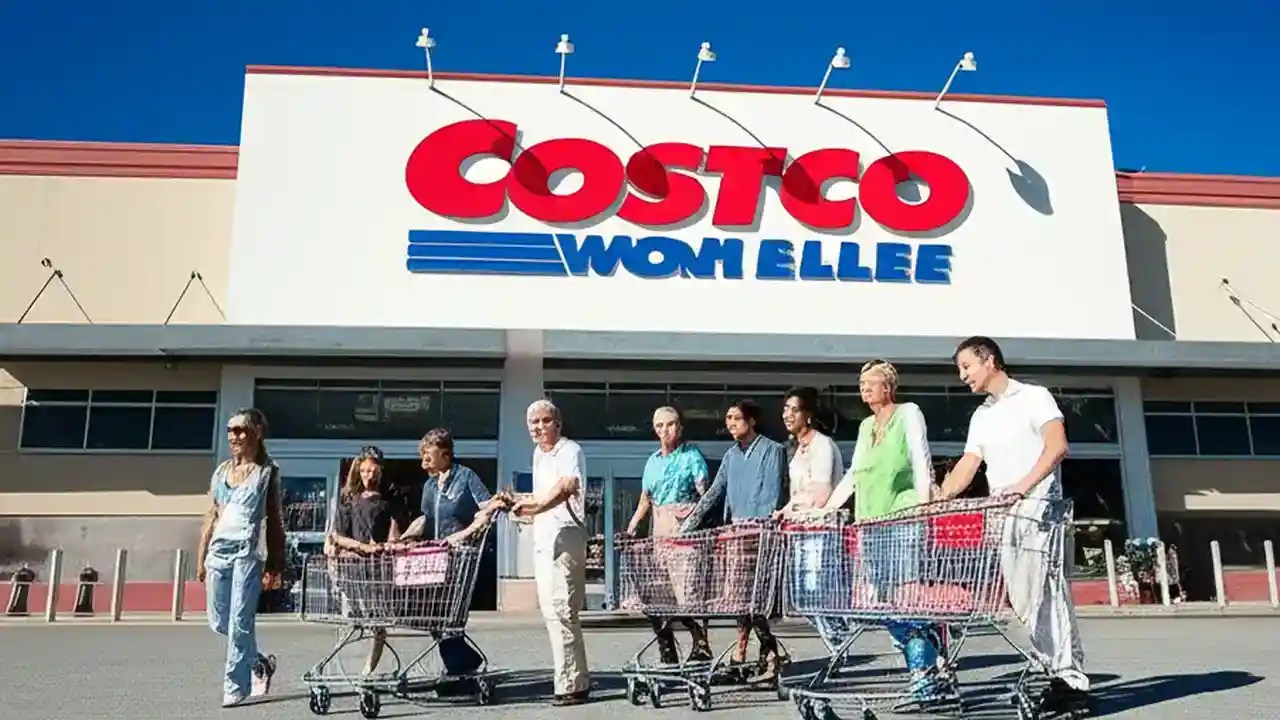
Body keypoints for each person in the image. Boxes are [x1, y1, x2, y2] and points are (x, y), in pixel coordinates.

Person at [938, 336, 1089, 714]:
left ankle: (1070, 679)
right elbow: (969, 465)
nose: (962, 376)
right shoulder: (982, 416)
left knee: (1048, 593)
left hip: (1040, 510)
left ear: (989, 361)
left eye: (966, 366)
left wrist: (1022, 488)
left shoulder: (1034, 397)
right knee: (1023, 600)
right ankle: (1049, 670)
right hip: (1005, 517)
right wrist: (938, 498)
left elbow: (1057, 446)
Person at [823, 360, 944, 700]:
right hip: (870, 523)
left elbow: (921, 460)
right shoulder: (864, 426)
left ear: (888, 387)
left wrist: (924, 507)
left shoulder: (909, 413)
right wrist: (827, 509)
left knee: (908, 599)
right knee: (883, 602)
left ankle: (923, 672)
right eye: (861, 383)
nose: (864, 388)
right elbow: (854, 474)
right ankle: (928, 655)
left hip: (904, 519)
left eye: (870, 382)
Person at [680, 399, 789, 685]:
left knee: (754, 601)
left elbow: (772, 495)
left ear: (751, 421)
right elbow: (714, 493)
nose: (730, 423)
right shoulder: (730, 456)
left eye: (736, 418)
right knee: (741, 601)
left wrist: (756, 525)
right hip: (735, 538)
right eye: (727, 418)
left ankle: (761, 655)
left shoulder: (772, 450)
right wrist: (688, 525)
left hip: (760, 537)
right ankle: (754, 655)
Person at [395, 428, 506, 693]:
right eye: (422, 453)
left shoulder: (466, 477)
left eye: (428, 452)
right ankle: (463, 664)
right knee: (435, 615)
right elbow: (425, 519)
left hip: (460, 557)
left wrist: (465, 534)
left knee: (449, 615)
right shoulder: (430, 486)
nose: (424, 459)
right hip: (434, 558)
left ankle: (457, 672)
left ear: (445, 453)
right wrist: (404, 537)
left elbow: (489, 507)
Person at [196, 408, 286, 707]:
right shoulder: (221, 471)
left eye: (241, 430)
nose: (235, 436)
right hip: (217, 554)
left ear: (257, 433)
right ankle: (259, 662)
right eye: (231, 430)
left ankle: (234, 687)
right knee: (219, 622)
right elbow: (212, 514)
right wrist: (200, 557)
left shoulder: (266, 472)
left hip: (248, 554)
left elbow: (274, 518)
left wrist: (275, 562)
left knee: (240, 623)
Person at [511, 400, 592, 706]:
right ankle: (572, 677)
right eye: (534, 422)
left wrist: (537, 506)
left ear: (557, 423)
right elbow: (542, 495)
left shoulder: (569, 450)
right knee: (550, 612)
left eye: (546, 421)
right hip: (544, 540)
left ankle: (571, 683)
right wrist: (522, 505)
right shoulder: (537, 455)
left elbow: (566, 485)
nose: (540, 427)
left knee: (563, 609)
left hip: (567, 536)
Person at [623, 406, 712, 665]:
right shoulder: (652, 461)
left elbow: (705, 495)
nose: (665, 430)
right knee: (659, 599)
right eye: (660, 426)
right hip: (659, 532)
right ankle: (668, 652)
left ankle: (700, 643)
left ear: (680, 427)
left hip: (685, 534)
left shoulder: (692, 456)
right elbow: (645, 501)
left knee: (687, 598)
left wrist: (694, 521)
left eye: (671, 424)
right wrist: (631, 529)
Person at [774, 387, 849, 655]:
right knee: (805, 594)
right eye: (785, 409)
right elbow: (798, 493)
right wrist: (784, 511)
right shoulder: (798, 450)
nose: (787, 415)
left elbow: (821, 493)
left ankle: (839, 642)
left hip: (821, 529)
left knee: (816, 591)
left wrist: (791, 510)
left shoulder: (822, 445)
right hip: (801, 530)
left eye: (794, 409)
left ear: (808, 415)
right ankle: (837, 643)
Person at [327, 445, 401, 676]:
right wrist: (362, 547)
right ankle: (343, 666)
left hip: (379, 569)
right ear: (358, 471)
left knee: (378, 624)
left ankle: (368, 670)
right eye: (365, 471)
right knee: (352, 619)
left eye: (373, 471)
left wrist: (388, 546)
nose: (369, 476)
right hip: (353, 568)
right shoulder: (348, 498)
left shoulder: (390, 499)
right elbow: (338, 535)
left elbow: (394, 531)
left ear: (381, 471)